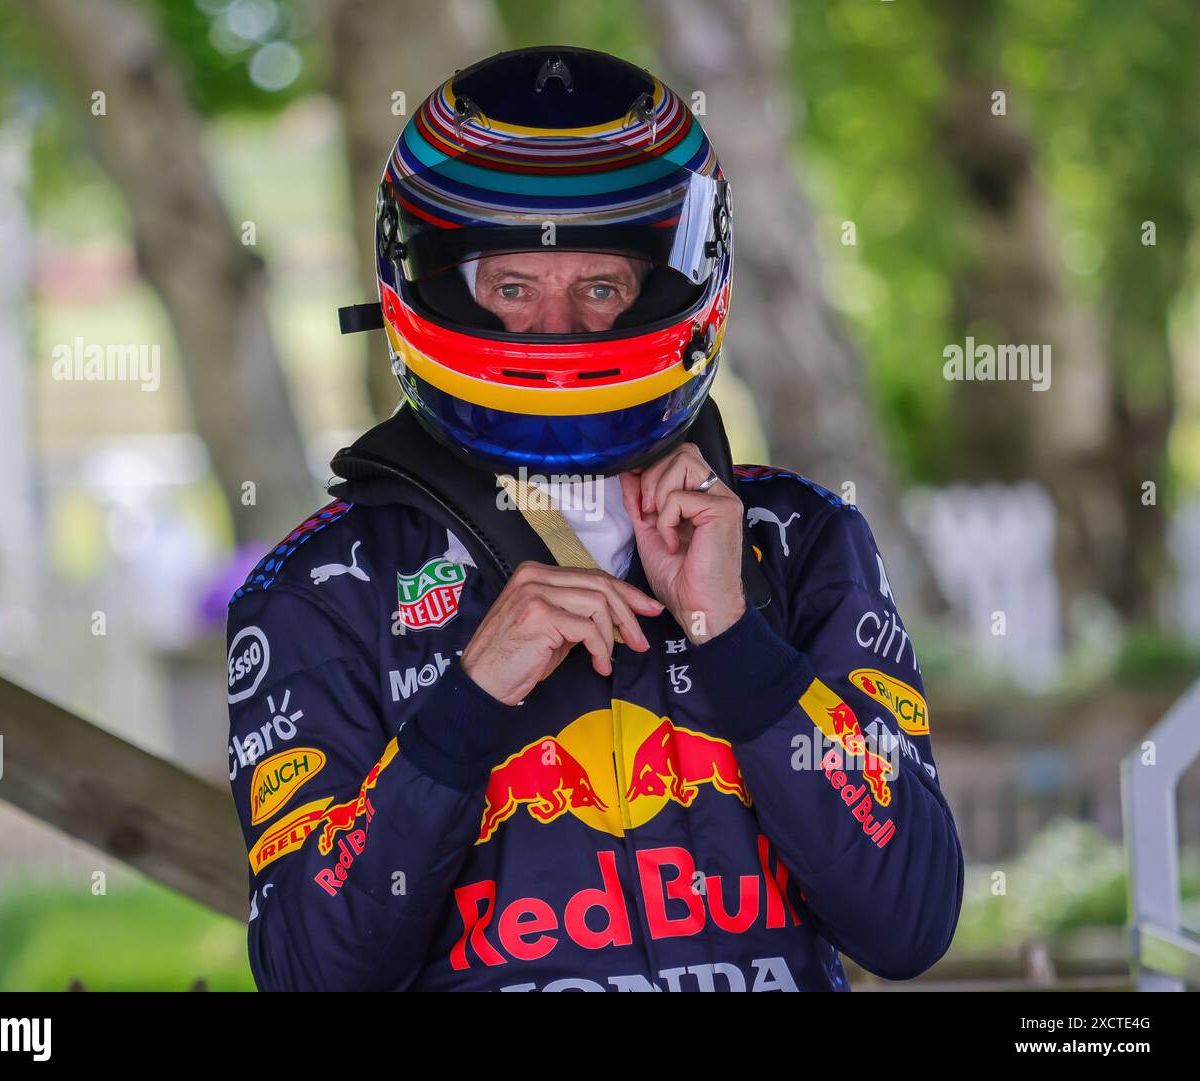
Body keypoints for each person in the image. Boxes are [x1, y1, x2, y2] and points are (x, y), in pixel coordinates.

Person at [226, 46, 962, 992]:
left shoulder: (801, 539)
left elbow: (910, 921)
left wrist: (737, 641)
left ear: (673, 285)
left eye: (601, 289)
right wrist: (465, 706)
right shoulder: (319, 592)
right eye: (513, 288)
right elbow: (311, 974)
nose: (558, 331)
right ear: (437, 284)